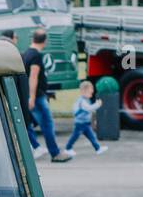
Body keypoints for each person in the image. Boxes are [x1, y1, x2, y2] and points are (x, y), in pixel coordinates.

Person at [22, 29, 71, 163]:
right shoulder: (36, 56)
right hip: (37, 96)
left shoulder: (26, 53)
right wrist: (32, 97)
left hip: (31, 95)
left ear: (33, 39)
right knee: (47, 125)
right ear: (45, 41)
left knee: (29, 124)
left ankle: (37, 149)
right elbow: (33, 77)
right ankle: (55, 153)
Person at [65, 80, 107, 155]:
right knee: (75, 136)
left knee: (91, 136)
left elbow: (90, 110)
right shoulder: (82, 101)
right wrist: (97, 105)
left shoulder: (86, 100)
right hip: (80, 123)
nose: (92, 93)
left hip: (85, 123)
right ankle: (68, 148)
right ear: (83, 92)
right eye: (90, 92)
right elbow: (89, 108)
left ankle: (98, 148)